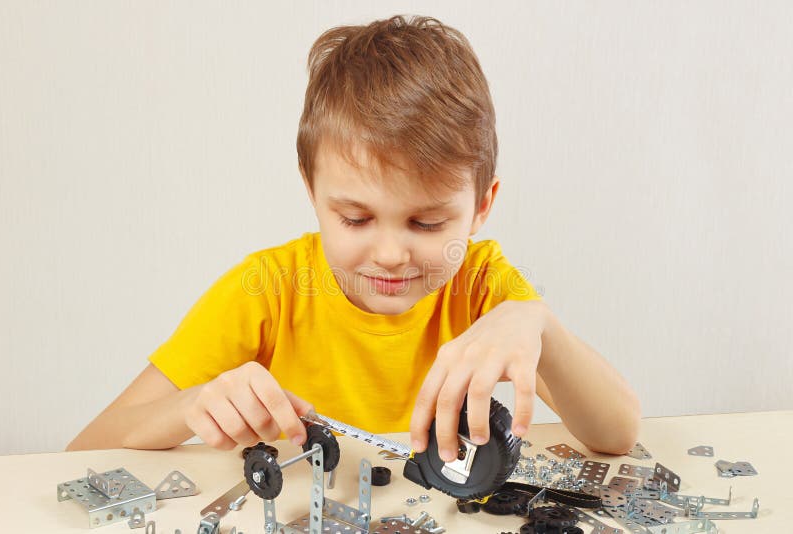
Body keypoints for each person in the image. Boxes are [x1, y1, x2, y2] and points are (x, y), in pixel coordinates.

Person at [67, 15, 640, 460]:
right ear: (312, 191)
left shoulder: (485, 286)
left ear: (481, 206)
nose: (389, 255)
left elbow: (617, 433)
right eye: (356, 219)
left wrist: (538, 324)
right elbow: (83, 452)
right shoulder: (266, 291)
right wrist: (191, 404)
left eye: (427, 223)